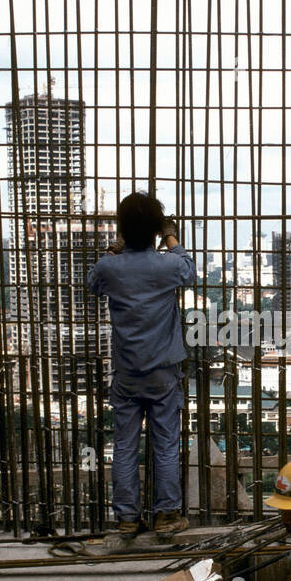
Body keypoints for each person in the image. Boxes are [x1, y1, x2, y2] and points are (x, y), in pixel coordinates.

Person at [86, 191, 196, 546]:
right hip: (163, 371)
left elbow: (93, 284)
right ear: (153, 230)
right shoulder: (167, 265)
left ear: (122, 228)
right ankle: (166, 517)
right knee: (165, 444)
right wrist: (171, 236)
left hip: (126, 372)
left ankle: (127, 519)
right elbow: (188, 270)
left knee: (124, 446)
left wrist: (115, 249)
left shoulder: (109, 267)